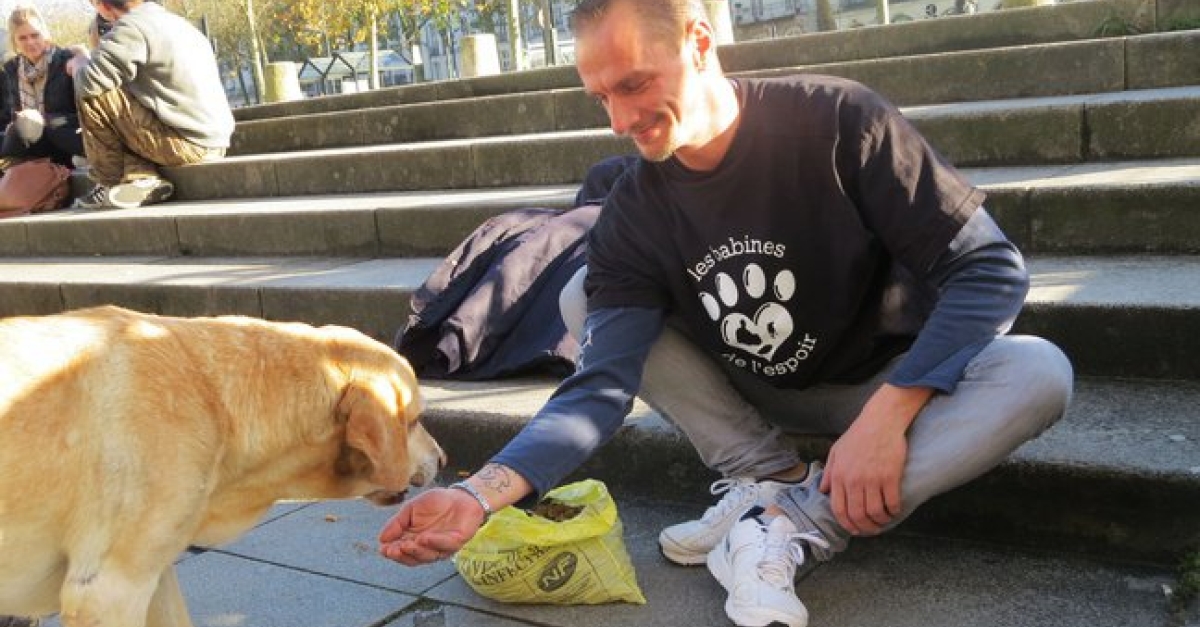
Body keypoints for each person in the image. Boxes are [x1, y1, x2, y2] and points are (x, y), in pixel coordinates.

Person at [378, 1, 1074, 626]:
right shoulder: (634, 212)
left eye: (634, 83)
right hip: (760, 389)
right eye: (600, 98)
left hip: (889, 378)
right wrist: (479, 492)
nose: (620, 121)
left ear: (699, 41)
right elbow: (598, 388)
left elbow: (989, 268)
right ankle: (769, 480)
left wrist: (887, 417)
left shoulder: (838, 120)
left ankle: (791, 518)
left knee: (1039, 370)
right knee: (583, 289)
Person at [65, 0, 233, 210]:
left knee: (94, 93)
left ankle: (108, 182)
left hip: (185, 144)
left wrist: (80, 61)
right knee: (114, 90)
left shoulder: (132, 27)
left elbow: (88, 83)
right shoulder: (179, 23)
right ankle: (141, 177)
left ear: (102, 6)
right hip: (215, 141)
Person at [0, 5, 85, 171]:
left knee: (30, 123)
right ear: (14, 41)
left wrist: (42, 120)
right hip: (27, 141)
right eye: (22, 38)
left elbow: (82, 116)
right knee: (19, 127)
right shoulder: (12, 70)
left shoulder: (66, 62)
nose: (30, 42)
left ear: (44, 34)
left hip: (62, 139)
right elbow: (12, 114)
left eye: (35, 35)